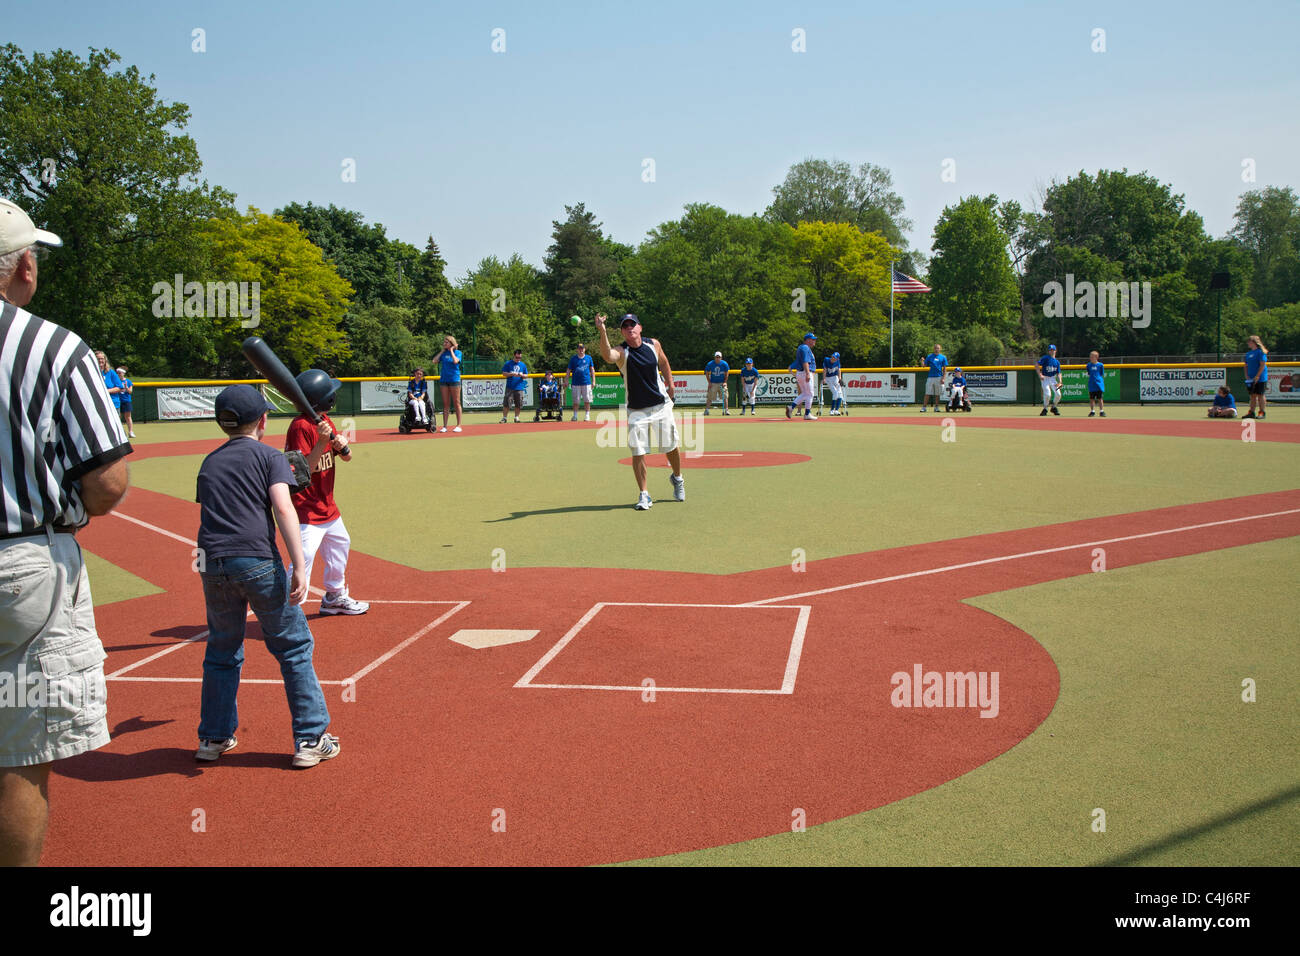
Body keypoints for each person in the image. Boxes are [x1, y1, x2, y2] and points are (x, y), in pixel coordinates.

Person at [0, 199, 131, 865]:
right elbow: (106, 484)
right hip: (21, 566)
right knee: (17, 755)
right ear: (22, 265)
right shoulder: (51, 346)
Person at [195, 385, 339, 769]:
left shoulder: (210, 461)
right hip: (256, 560)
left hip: (210, 562)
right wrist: (300, 566)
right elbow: (283, 508)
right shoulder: (269, 457)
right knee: (293, 647)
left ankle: (213, 737)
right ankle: (311, 738)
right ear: (262, 420)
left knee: (222, 651)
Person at [283, 370, 369, 615]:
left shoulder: (323, 421)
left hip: (327, 505)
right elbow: (300, 473)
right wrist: (322, 443)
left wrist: (342, 447)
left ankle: (334, 595)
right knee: (304, 558)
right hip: (305, 509)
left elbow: (348, 458)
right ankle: (288, 611)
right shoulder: (300, 427)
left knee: (340, 544)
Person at [594, 313, 684, 510]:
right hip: (636, 410)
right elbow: (608, 356)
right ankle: (644, 494)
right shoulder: (622, 352)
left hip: (661, 406)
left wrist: (671, 383)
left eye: (632, 325)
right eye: (625, 326)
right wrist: (602, 330)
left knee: (671, 447)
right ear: (622, 332)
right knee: (638, 451)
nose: (629, 328)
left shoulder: (654, 344)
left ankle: (677, 478)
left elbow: (664, 362)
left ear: (640, 328)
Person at [787, 332, 818, 420]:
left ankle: (791, 407)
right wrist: (808, 373)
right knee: (810, 394)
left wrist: (791, 366)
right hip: (805, 373)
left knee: (805, 393)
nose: (814, 341)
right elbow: (805, 361)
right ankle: (807, 414)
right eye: (813, 339)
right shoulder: (805, 347)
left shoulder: (802, 347)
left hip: (800, 373)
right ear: (808, 340)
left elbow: (798, 361)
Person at [436, 335, 463, 432]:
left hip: (454, 380)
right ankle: (445, 426)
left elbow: (456, 361)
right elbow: (434, 361)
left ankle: (459, 425)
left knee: (456, 402)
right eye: (444, 342)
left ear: (451, 343)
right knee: (445, 403)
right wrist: (442, 351)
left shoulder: (458, 353)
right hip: (444, 380)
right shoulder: (443, 354)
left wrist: (451, 350)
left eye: (446, 342)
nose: (444, 343)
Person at [566, 342, 595, 422]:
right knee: (576, 400)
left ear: (584, 349)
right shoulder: (573, 359)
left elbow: (592, 369)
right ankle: (575, 415)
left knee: (587, 400)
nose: (581, 350)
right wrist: (566, 380)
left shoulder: (589, 358)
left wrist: (593, 381)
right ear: (577, 350)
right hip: (576, 383)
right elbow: (568, 370)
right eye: (579, 348)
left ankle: (587, 415)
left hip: (586, 382)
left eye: (582, 348)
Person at [1243, 335, 1268, 420]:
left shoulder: (1260, 352)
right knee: (1252, 395)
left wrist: (1257, 376)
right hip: (1251, 378)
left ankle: (1262, 412)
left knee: (1260, 395)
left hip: (1260, 378)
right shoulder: (1248, 354)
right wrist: (1246, 375)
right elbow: (1245, 365)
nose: (1248, 343)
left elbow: (1262, 365)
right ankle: (1251, 412)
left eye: (1249, 341)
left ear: (1254, 342)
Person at [500, 349, 528, 423]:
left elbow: (526, 375)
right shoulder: (508, 363)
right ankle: (504, 418)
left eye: (520, 358)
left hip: (519, 387)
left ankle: (516, 417)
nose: (518, 359)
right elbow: (503, 373)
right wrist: (511, 374)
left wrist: (522, 375)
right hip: (510, 387)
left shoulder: (522, 365)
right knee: (507, 403)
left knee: (519, 403)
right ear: (514, 356)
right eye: (517, 357)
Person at [920, 343, 947, 413]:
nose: (936, 349)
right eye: (935, 348)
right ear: (933, 349)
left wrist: (943, 378)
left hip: (939, 377)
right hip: (930, 377)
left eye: (938, 348)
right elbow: (924, 366)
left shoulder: (943, 357)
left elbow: (944, 369)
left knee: (937, 393)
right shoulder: (930, 356)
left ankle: (936, 407)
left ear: (940, 349)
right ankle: (924, 407)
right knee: (927, 393)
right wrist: (922, 361)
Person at [1037, 344, 1062, 416]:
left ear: (1055, 351)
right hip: (1045, 378)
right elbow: (1036, 364)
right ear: (1048, 351)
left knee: (1058, 394)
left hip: (1053, 379)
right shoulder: (1045, 358)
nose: (1052, 351)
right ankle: (1045, 409)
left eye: (1053, 350)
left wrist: (1060, 381)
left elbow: (1059, 372)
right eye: (1050, 350)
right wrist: (1040, 374)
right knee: (1048, 394)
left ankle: (1053, 407)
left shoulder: (1057, 362)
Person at [96, 351, 124, 416]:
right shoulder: (92, 372)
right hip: (98, 404)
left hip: (113, 404)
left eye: (102, 358)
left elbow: (120, 388)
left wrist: (105, 391)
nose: (100, 360)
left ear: (105, 360)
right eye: (98, 359)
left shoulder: (111, 373)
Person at [704, 351, 730, 415]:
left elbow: (727, 373)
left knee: (725, 396)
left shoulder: (724, 364)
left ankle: (727, 410)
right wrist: (709, 382)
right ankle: (706, 410)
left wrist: (725, 382)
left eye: (719, 357)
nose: (718, 358)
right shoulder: (710, 364)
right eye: (716, 357)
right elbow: (706, 373)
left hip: (722, 382)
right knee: (710, 397)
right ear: (714, 357)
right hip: (713, 383)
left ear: (721, 357)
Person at [116, 365, 136, 437]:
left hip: (126, 401)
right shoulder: (115, 381)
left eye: (120, 373)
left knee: (128, 417)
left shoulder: (128, 381)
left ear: (123, 373)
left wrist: (126, 387)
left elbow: (130, 391)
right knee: (117, 417)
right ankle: (120, 433)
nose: (118, 374)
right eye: (117, 373)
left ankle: (130, 432)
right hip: (118, 401)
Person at [1086, 351, 1106, 417]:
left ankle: (1101, 411)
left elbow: (1101, 373)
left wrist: (1098, 380)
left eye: (1092, 356)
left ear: (1096, 357)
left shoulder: (1100, 365)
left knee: (1100, 398)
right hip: (1091, 384)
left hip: (1098, 384)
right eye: (1090, 356)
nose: (1091, 358)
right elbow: (1089, 373)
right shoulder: (1088, 365)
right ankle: (1092, 411)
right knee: (1092, 399)